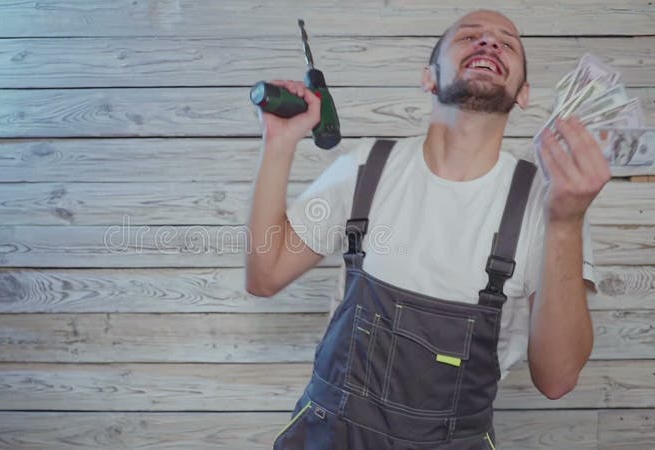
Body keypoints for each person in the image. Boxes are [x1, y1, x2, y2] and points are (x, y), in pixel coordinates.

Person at [245, 9, 610, 450]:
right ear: (428, 78)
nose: (489, 43)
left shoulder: (550, 202)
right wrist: (279, 144)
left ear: (524, 93)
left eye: (506, 43)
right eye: (470, 36)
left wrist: (567, 223)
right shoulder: (366, 167)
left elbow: (558, 379)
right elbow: (264, 276)